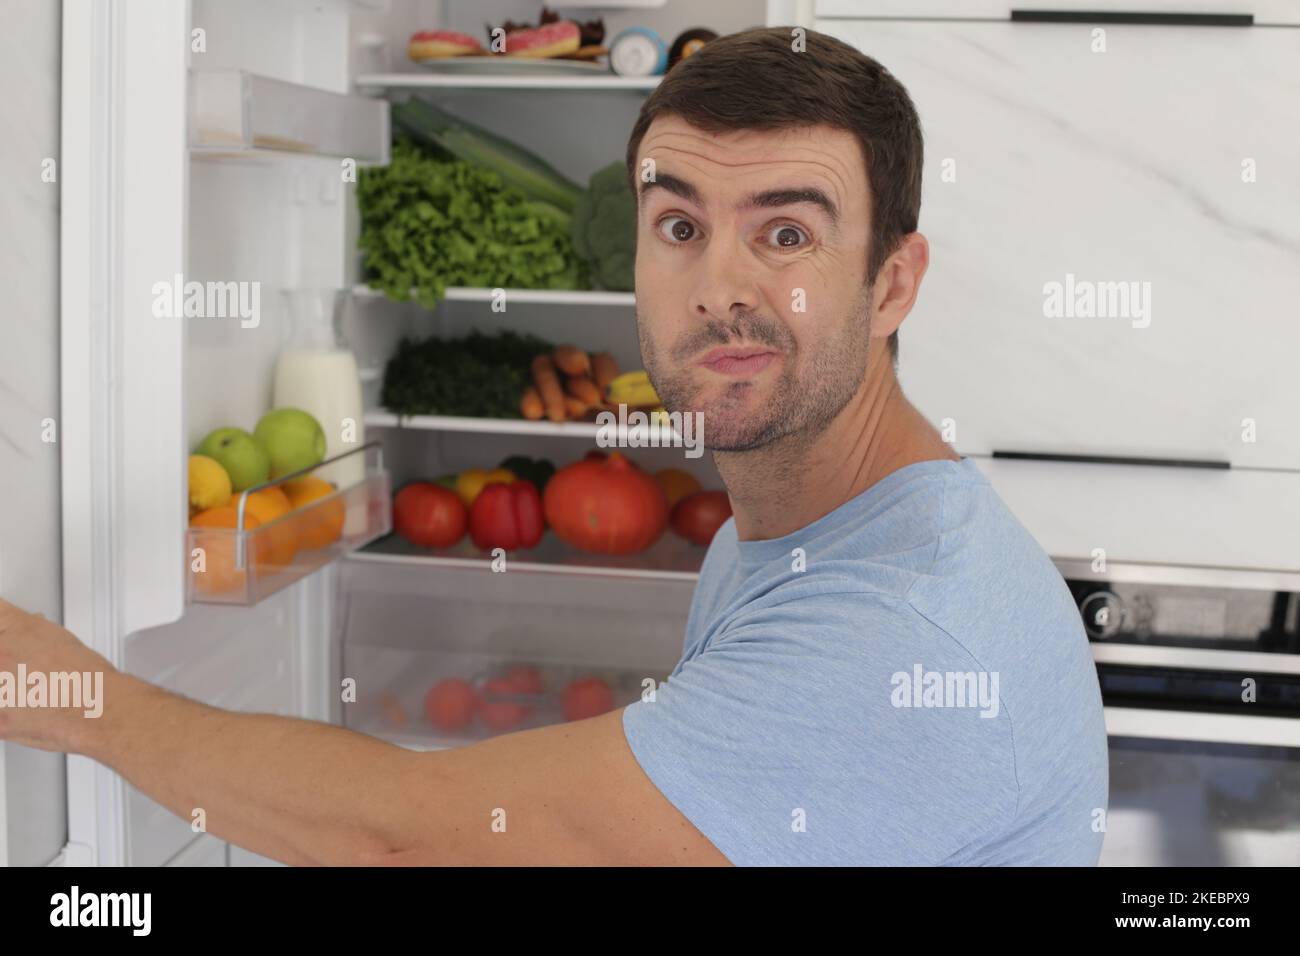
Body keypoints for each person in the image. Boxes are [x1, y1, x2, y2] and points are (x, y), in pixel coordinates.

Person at [0, 26, 1107, 866]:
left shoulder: (897, 640)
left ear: (892, 282)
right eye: (679, 226)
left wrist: (83, 699)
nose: (718, 287)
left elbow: (417, 837)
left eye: (785, 232)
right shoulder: (796, 530)